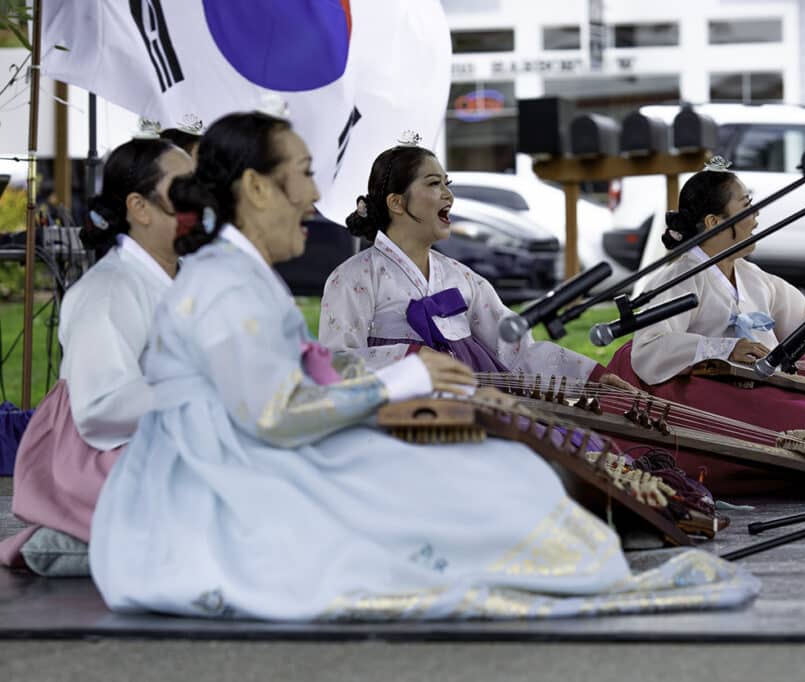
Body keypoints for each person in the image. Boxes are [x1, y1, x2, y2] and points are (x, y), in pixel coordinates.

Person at [87, 112, 757, 621]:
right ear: (259, 188)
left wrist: (584, 375)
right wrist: (407, 373)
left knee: (493, 474)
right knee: (475, 484)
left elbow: (512, 347)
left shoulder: (243, 276)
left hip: (261, 446)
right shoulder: (245, 283)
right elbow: (278, 409)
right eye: (304, 172)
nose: (317, 193)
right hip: (222, 476)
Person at [606, 164, 805, 495]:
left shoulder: (754, 278)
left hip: (767, 390)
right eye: (746, 206)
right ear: (713, 223)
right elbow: (649, 348)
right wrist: (722, 348)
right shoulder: (678, 279)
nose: (756, 216)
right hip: (720, 403)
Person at [0, 137, 194, 571]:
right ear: (140, 208)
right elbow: (103, 408)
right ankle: (71, 539)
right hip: (102, 459)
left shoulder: (189, 281)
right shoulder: (107, 291)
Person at [318, 142, 631, 390]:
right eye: (433, 184)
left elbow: (516, 349)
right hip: (405, 421)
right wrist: (409, 357)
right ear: (396, 202)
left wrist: (589, 377)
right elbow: (335, 363)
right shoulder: (352, 278)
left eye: (447, 183)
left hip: (480, 411)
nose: (448, 195)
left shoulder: (462, 278)